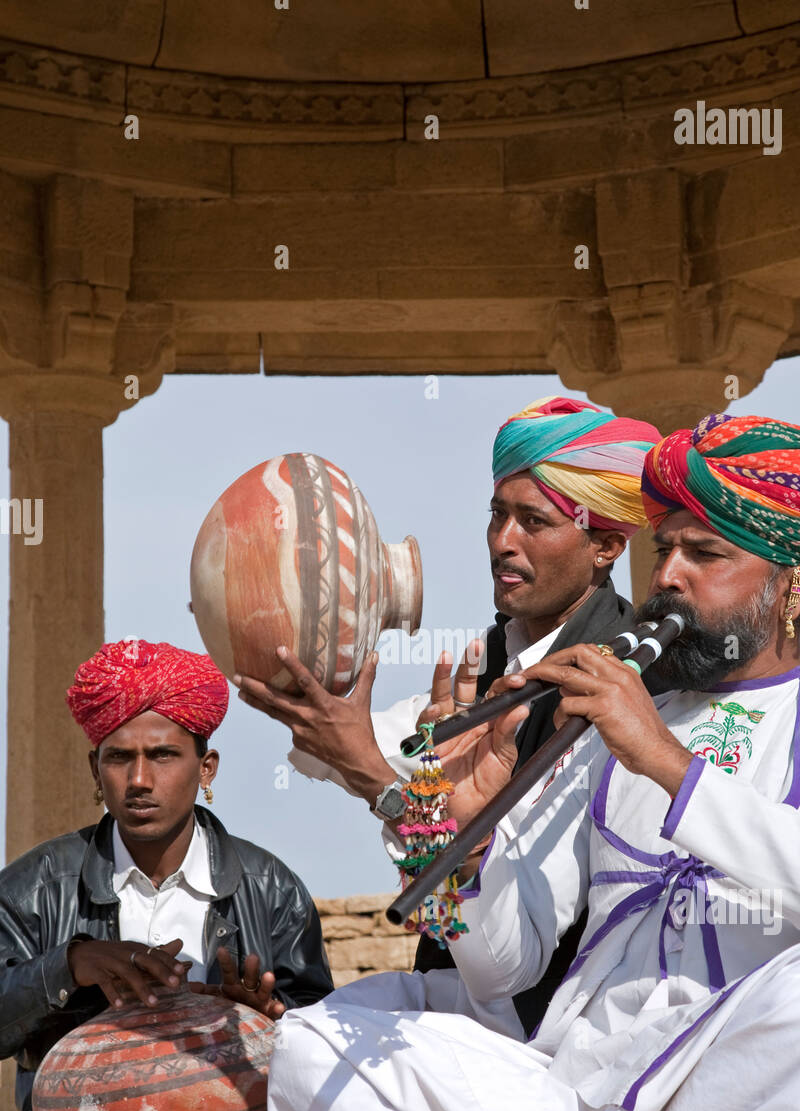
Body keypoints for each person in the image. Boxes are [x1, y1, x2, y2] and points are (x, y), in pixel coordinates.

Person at [266, 412, 800, 1111]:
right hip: (581, 1093)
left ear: (797, 586)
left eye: (707, 555)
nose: (671, 579)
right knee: (315, 1048)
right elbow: (505, 968)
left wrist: (668, 767)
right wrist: (463, 836)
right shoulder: (607, 725)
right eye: (666, 550)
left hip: (744, 1085)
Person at [237, 397, 662, 1030]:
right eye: (496, 516)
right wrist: (274, 610)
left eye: (533, 522)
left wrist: (384, 787)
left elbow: (506, 967)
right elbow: (338, 737)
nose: (502, 542)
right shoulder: (483, 663)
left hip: (550, 1039)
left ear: (603, 546)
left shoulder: (621, 693)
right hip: (454, 1013)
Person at [0, 638, 333, 1111]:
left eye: (162, 756)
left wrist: (262, 1021)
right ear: (96, 769)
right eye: (118, 758)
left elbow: (321, 1042)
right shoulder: (34, 887)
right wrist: (69, 966)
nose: (138, 779)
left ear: (206, 768)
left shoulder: (271, 889)